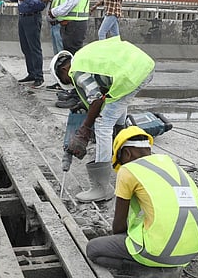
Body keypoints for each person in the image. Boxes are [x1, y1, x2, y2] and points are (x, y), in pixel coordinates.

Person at [87, 126, 198, 278]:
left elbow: (119, 226)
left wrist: (118, 241)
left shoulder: (128, 170)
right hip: (195, 245)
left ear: (126, 154)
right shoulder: (170, 164)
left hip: (165, 250)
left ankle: (157, 272)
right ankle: (166, 264)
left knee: (94, 250)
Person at [52, 38, 155, 202]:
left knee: (102, 124)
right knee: (116, 104)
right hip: (141, 66)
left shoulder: (76, 70)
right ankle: (122, 151)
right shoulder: (84, 58)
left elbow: (97, 99)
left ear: (64, 69)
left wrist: (84, 130)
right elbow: (103, 92)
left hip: (132, 74)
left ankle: (102, 188)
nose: (70, 82)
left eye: (65, 80)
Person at [9, 0, 51, 87]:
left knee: (34, 48)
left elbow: (41, 5)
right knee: (25, 47)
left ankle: (39, 76)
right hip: (22, 17)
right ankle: (31, 73)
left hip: (33, 17)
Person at [41, 0, 68, 87]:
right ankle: (59, 82)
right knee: (58, 56)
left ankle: (63, 82)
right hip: (54, 24)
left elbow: (65, 2)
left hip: (59, 24)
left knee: (62, 56)